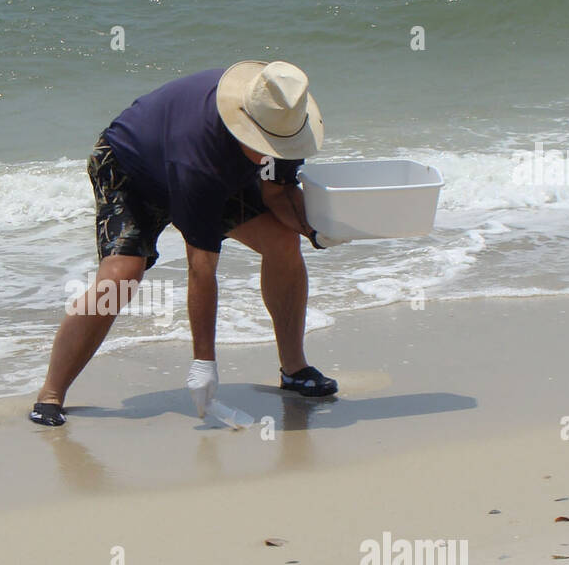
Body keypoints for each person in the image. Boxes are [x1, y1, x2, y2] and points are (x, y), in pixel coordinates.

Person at [29, 60, 339, 426]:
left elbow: (277, 192)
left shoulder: (282, 116)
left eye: (276, 145)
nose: (268, 153)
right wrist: (203, 364)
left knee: (284, 242)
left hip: (216, 170)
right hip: (131, 169)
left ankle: (294, 368)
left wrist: (318, 229)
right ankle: (51, 393)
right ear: (243, 125)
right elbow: (201, 269)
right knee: (121, 278)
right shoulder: (198, 158)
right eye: (264, 145)